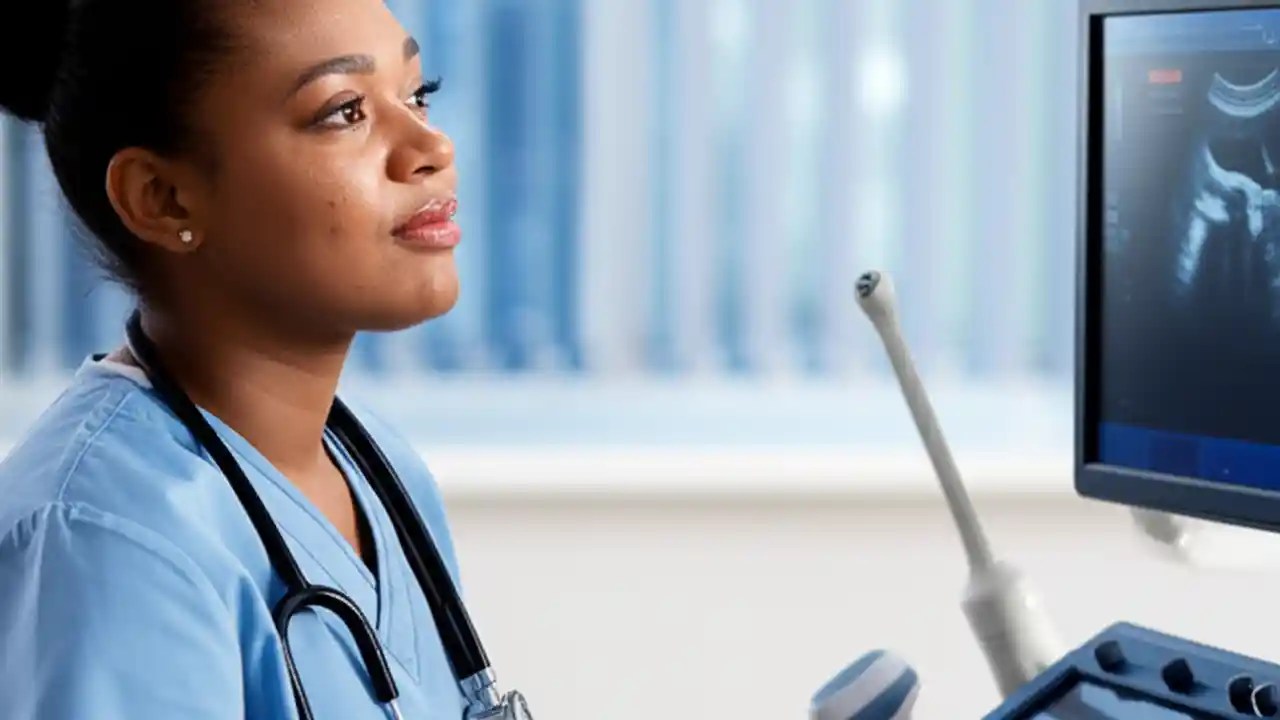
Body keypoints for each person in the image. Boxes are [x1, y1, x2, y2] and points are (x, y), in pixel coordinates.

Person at [0, 1, 477, 717]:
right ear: (161, 198)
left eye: (416, 94)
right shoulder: (108, 539)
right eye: (344, 111)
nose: (429, 146)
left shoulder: (380, 467)